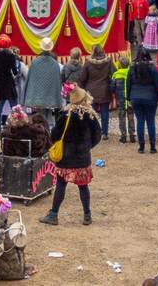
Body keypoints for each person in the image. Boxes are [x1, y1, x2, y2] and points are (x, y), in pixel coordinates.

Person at [38, 86, 102, 226]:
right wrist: (87, 146)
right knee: (83, 186)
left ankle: (53, 215)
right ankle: (87, 215)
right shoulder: (90, 115)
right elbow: (98, 135)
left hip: (65, 158)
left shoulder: (65, 115)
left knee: (61, 184)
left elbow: (55, 134)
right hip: (82, 157)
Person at [22, 38, 63, 127]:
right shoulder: (55, 63)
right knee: (50, 118)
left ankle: (41, 134)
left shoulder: (35, 62)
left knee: (40, 118)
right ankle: (50, 134)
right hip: (51, 96)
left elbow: (30, 80)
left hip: (38, 97)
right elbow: (57, 82)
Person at [128, 50, 158, 154]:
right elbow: (157, 84)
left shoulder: (132, 68)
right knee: (150, 122)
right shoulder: (152, 68)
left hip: (135, 97)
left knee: (140, 121)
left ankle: (141, 146)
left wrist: (128, 98)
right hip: (150, 97)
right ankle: (152, 146)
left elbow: (128, 83)